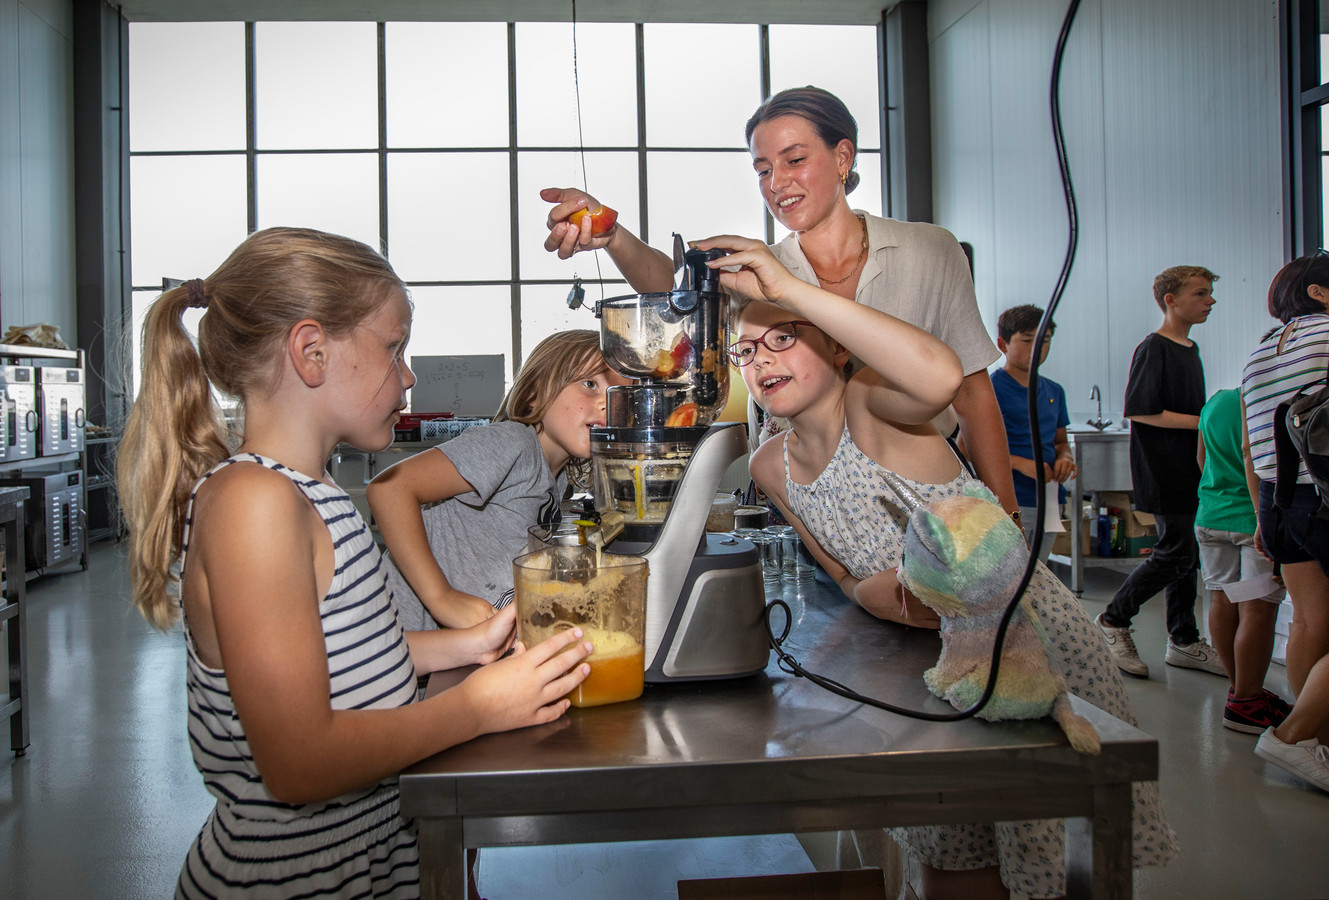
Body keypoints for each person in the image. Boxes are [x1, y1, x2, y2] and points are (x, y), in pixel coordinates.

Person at [116, 226, 593, 898]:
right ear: (311, 353)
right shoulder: (254, 502)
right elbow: (299, 764)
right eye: (394, 348)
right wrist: (478, 709)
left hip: (373, 859)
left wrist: (466, 643)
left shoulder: (318, 493)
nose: (409, 374)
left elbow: (338, 648)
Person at [698, 233, 1177, 900]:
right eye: (746, 352)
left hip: (1028, 640)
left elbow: (940, 374)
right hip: (932, 665)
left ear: (837, 345)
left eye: (783, 337)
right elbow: (838, 573)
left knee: (1054, 856)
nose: (760, 360)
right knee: (953, 852)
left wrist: (789, 288)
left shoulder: (869, 404)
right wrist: (877, 594)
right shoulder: (766, 465)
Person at [540, 85, 1019, 520]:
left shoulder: (931, 251)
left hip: (928, 487)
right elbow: (675, 290)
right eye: (763, 170)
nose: (776, 183)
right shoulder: (763, 271)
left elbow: (973, 392)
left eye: (794, 160)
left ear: (842, 156)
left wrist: (1008, 515)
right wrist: (612, 234)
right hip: (806, 496)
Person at [367, 330, 626, 630]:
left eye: (617, 395)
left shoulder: (559, 483)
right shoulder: (512, 443)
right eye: (590, 384)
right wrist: (443, 598)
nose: (607, 404)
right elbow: (390, 489)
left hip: (461, 650)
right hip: (398, 639)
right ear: (534, 394)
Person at [1094, 266, 1225, 679]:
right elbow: (1141, 410)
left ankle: (1183, 640)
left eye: (1210, 294)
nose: (1210, 301)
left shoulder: (1190, 348)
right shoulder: (1155, 347)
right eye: (1201, 294)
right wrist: (1204, 422)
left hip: (1190, 469)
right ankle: (1113, 620)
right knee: (1176, 555)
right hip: (1163, 467)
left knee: (1187, 559)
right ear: (1171, 299)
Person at [1241, 252, 1329, 789]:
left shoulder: (1259, 355)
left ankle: (1319, 744)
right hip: (1325, 498)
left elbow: (1253, 447)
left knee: (1309, 622)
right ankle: (1295, 733)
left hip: (1280, 501)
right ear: (1319, 292)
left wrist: (1262, 515)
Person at [1194, 387, 1288, 733]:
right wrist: (1258, 511)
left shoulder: (1216, 402)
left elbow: (1202, 459)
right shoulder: (1268, 402)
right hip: (1251, 523)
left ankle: (1241, 690)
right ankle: (1247, 699)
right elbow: (1255, 458)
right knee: (1256, 608)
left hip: (1210, 516)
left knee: (1220, 599)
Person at [990, 303, 1075, 561]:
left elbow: (1060, 441)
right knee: (1009, 577)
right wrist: (1021, 464)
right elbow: (966, 449)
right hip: (1010, 499)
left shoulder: (1054, 391)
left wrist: (1066, 458)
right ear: (1003, 344)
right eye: (1027, 340)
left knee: (1040, 577)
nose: (1037, 347)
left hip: (1049, 499)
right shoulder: (991, 390)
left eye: (1045, 340)